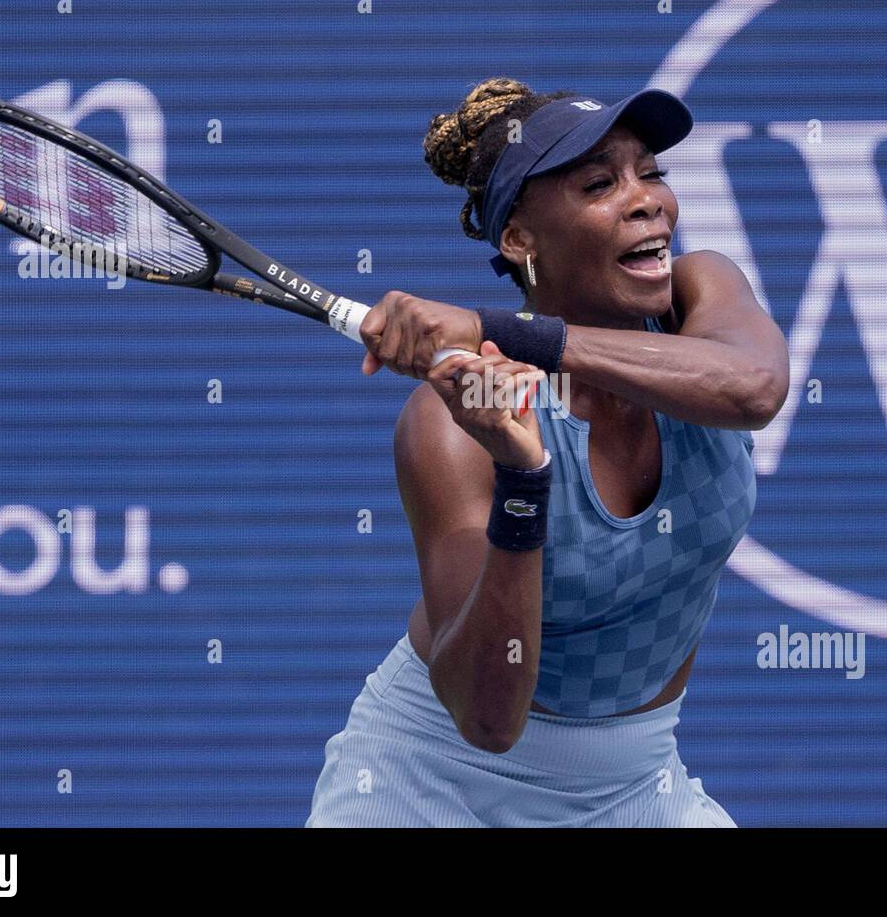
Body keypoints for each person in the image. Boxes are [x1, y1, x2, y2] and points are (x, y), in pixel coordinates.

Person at [305, 77, 789, 827]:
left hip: (639, 786)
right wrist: (523, 480)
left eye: (651, 172)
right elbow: (488, 719)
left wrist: (502, 329)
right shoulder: (447, 423)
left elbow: (754, 387)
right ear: (520, 239)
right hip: (432, 788)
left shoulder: (701, 290)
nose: (647, 199)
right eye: (601, 183)